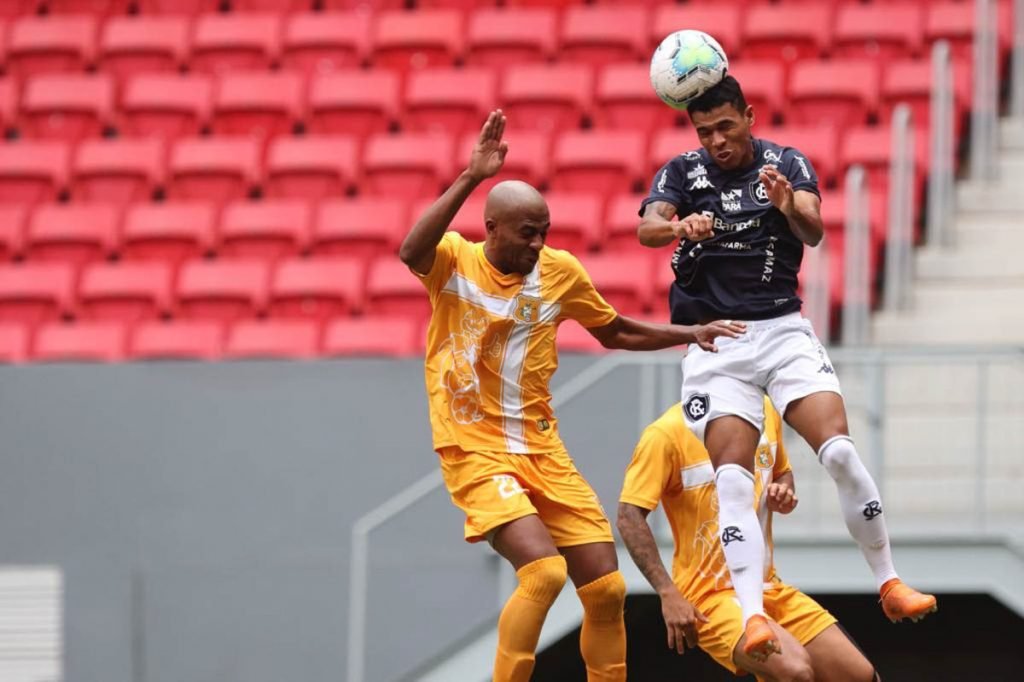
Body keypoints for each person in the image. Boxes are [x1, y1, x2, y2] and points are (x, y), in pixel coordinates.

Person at [399, 109, 744, 682]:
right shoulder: (453, 262)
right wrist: (469, 176)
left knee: (607, 587)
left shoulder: (559, 272)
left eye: (545, 232)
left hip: (543, 450)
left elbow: (614, 330)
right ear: (492, 228)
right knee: (544, 574)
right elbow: (411, 251)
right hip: (475, 450)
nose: (538, 243)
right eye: (526, 233)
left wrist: (690, 332)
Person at [637, 75, 936, 661]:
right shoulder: (680, 173)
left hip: (781, 330)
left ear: (748, 115)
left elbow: (814, 229)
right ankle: (752, 616)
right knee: (731, 477)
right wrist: (679, 226)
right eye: (705, 132)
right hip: (716, 342)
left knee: (841, 451)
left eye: (726, 126)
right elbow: (647, 227)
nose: (717, 141)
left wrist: (784, 202)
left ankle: (890, 582)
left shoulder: (786, 163)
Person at [617, 399, 880, 682]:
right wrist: (667, 593)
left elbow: (781, 472)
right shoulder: (666, 433)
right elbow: (628, 516)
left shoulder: (764, 410)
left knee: (860, 675)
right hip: (710, 598)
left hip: (769, 588)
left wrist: (783, 491)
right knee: (795, 671)